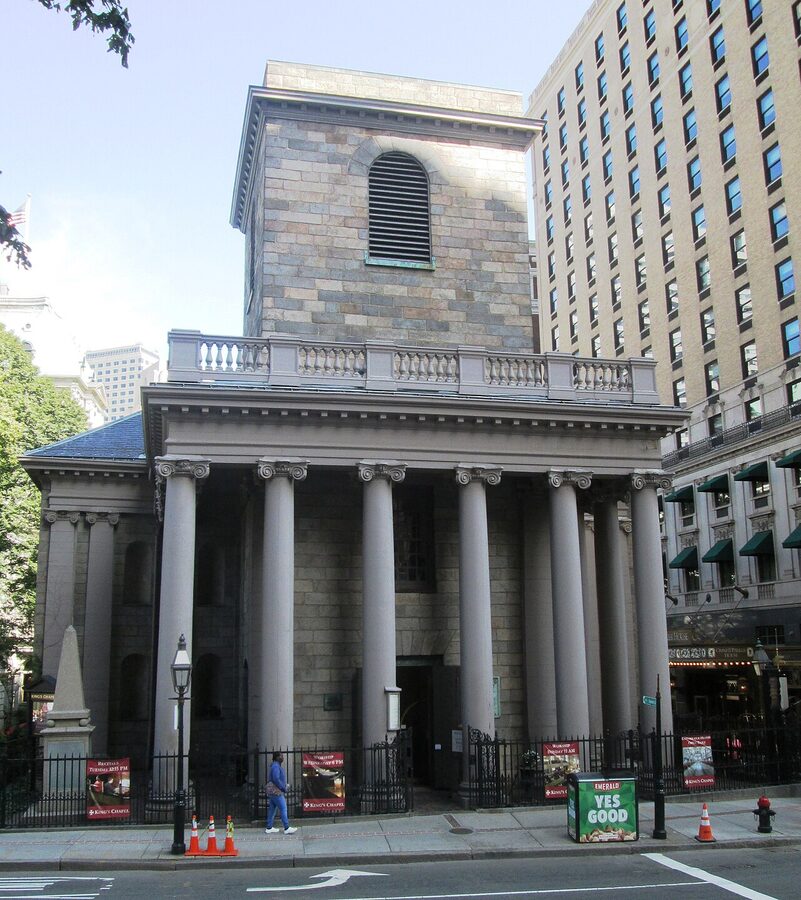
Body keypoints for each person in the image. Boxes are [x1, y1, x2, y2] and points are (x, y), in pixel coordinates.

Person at [265, 751, 297, 834]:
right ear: (277, 757)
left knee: (272, 809)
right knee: (283, 808)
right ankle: (286, 828)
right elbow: (276, 778)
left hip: (272, 791)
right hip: (276, 791)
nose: (283, 757)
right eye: (281, 756)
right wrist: (283, 787)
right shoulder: (276, 766)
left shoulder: (275, 765)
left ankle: (269, 827)